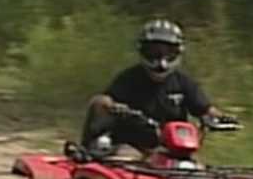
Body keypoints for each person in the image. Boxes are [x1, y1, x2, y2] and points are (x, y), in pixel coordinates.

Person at [81, 18, 237, 156]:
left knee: (194, 170)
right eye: (154, 52)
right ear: (143, 51)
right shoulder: (129, 78)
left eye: (168, 53)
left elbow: (205, 109)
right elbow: (103, 102)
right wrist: (112, 107)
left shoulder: (183, 82)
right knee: (124, 156)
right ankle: (88, 156)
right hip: (131, 146)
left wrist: (221, 118)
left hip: (172, 149)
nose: (161, 61)